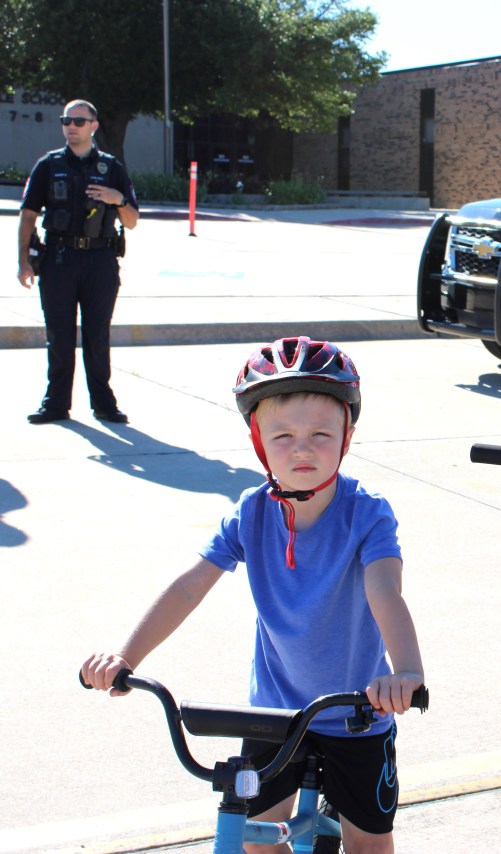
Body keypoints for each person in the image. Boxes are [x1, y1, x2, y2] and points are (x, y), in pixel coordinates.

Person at [81, 336, 425, 854]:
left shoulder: (367, 513)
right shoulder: (252, 511)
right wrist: (126, 657)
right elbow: (189, 585)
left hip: (358, 714)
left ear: (346, 438)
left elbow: (385, 592)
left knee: (368, 845)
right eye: (282, 435)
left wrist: (404, 672)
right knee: (254, 840)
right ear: (259, 442)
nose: (302, 448)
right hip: (275, 716)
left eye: (319, 434)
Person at [17, 99, 139, 425]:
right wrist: (23, 262)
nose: (71, 126)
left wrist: (119, 199)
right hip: (58, 258)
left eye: (79, 121)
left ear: (93, 126)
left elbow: (131, 221)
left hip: (100, 259)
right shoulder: (48, 165)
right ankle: (55, 404)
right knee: (59, 335)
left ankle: (104, 404)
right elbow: (28, 216)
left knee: (97, 335)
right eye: (66, 120)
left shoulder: (111, 168)